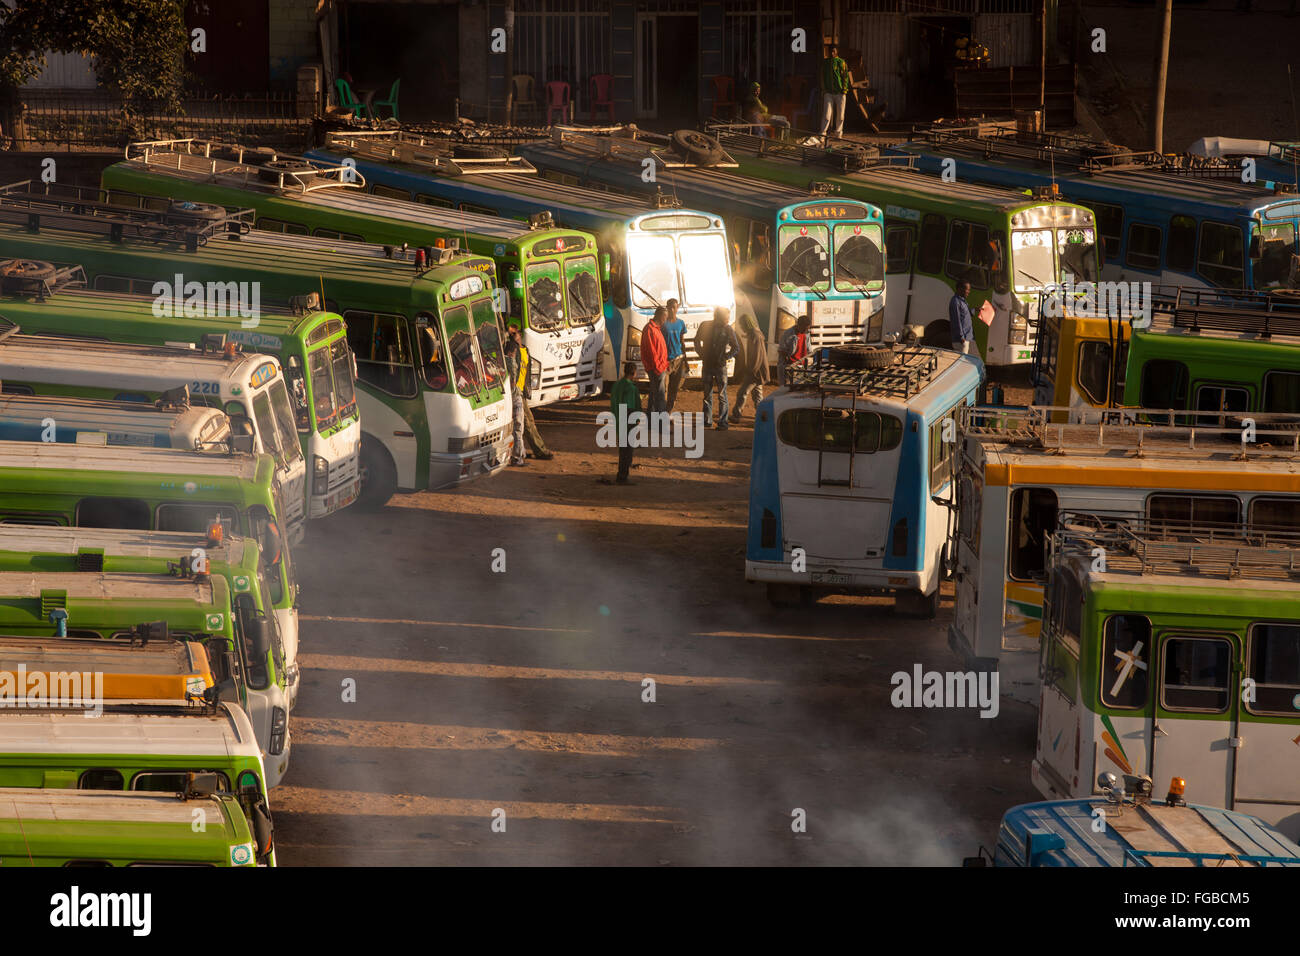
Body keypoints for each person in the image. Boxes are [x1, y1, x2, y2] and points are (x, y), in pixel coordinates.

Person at [504, 325, 554, 463]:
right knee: (524, 424)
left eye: (514, 333)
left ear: (519, 333)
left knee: (527, 422)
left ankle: (528, 452)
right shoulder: (511, 349)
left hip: (521, 391)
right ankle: (536, 451)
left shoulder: (524, 349)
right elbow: (512, 369)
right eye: (510, 334)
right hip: (516, 392)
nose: (513, 336)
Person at [695, 306, 740, 429]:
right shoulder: (705, 326)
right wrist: (702, 354)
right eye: (726, 318)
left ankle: (722, 422)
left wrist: (725, 357)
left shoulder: (728, 329)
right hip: (709, 365)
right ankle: (707, 420)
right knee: (707, 394)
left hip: (720, 366)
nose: (728, 320)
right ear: (718, 317)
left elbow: (736, 347)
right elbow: (696, 341)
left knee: (721, 395)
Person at [729, 313, 770, 424]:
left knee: (742, 392)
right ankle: (762, 418)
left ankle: (737, 415)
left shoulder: (754, 335)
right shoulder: (755, 334)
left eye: (742, 325)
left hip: (755, 371)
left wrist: (751, 370)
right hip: (758, 371)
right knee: (757, 396)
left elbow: (756, 356)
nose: (741, 327)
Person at [611, 361, 640, 484]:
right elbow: (629, 408)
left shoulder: (617, 385)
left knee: (623, 450)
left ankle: (622, 474)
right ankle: (622, 477)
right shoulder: (631, 388)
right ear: (634, 373)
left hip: (618, 420)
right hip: (627, 422)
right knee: (627, 451)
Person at [641, 307, 670, 414]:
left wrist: (665, 364)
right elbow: (651, 351)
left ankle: (652, 421)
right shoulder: (650, 329)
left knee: (654, 395)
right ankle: (660, 423)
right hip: (656, 369)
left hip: (660, 367)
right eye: (665, 317)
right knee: (660, 397)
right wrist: (659, 368)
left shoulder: (655, 329)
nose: (666, 320)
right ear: (661, 316)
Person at [819, 45, 850, 142]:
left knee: (840, 116)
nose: (832, 53)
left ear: (836, 52)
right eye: (830, 51)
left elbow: (845, 77)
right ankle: (822, 134)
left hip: (840, 93)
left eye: (833, 51)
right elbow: (822, 76)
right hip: (828, 93)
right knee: (826, 115)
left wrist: (844, 89)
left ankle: (838, 133)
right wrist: (824, 89)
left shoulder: (842, 62)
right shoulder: (825, 63)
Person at [663, 298, 688, 412]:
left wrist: (686, 359)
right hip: (666, 361)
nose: (673, 310)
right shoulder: (663, 323)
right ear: (667, 308)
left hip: (678, 359)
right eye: (670, 307)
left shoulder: (681, 323)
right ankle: (661, 411)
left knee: (674, 388)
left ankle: (668, 411)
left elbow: (682, 342)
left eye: (675, 307)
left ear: (677, 308)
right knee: (664, 389)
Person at [777, 315, 811, 385]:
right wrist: (788, 366)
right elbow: (781, 351)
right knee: (787, 389)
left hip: (801, 366)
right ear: (799, 325)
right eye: (805, 328)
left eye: (807, 328)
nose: (806, 330)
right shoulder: (788, 334)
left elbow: (808, 349)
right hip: (790, 366)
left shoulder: (806, 334)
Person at [949, 279, 975, 355]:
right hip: (961, 340)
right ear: (960, 289)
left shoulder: (962, 300)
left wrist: (975, 309)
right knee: (961, 361)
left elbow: (965, 314)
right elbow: (956, 320)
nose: (968, 292)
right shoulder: (955, 302)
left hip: (965, 337)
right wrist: (961, 338)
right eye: (967, 289)